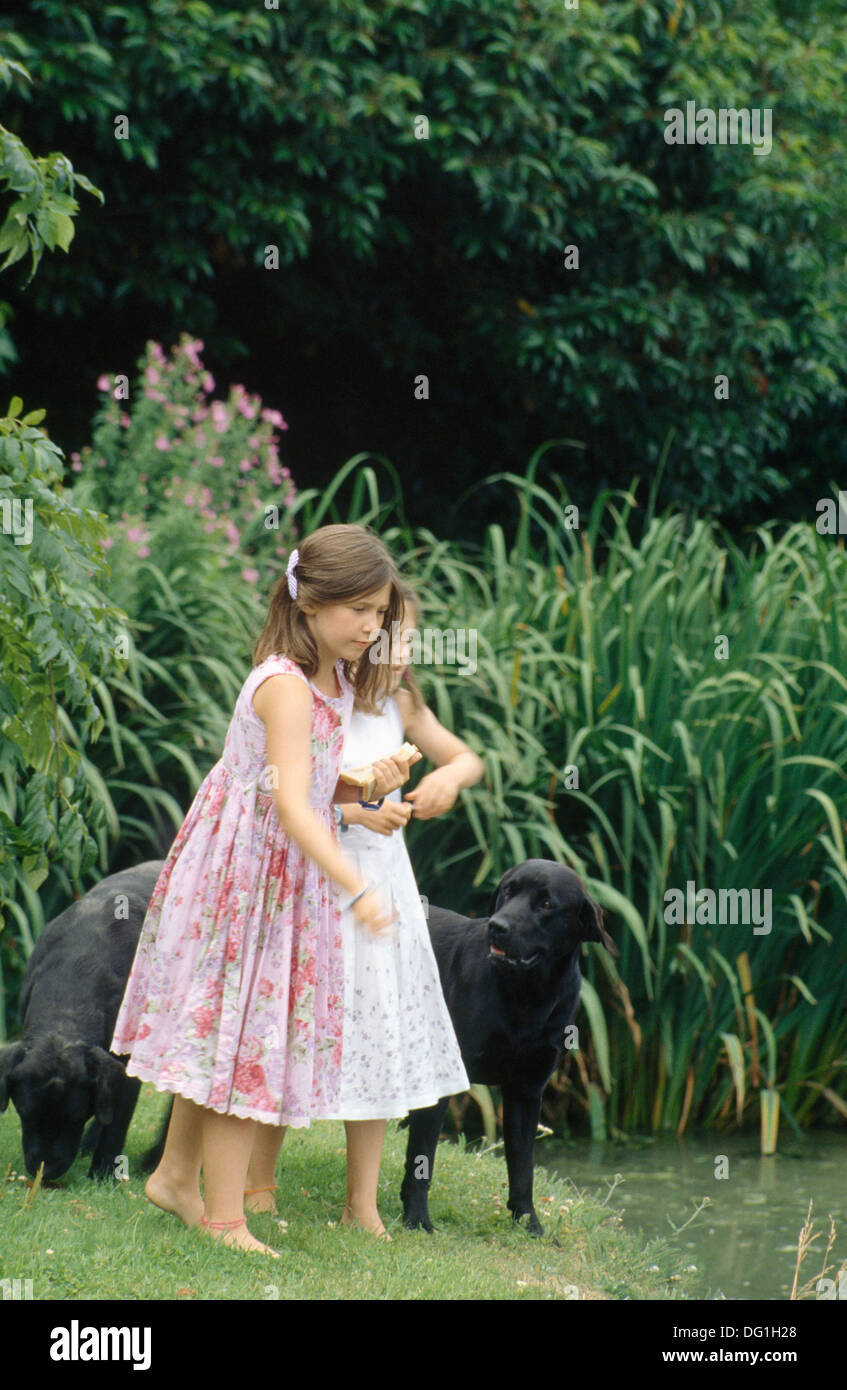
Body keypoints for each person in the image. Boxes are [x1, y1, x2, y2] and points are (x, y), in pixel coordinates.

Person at [110, 523, 418, 1255]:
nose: (371, 626)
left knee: (232, 1032)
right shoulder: (282, 684)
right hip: (247, 880)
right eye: (359, 611)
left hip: (281, 875)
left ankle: (175, 1179)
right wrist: (353, 881)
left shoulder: (333, 684)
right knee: (243, 1039)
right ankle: (223, 1219)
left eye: (380, 612)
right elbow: (284, 803)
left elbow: (305, 780)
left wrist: (360, 786)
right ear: (308, 601)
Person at [243, 584, 485, 1236]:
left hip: (383, 886)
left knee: (375, 1021)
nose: (397, 647)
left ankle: (362, 1203)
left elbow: (466, 757)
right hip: (319, 876)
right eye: (387, 634)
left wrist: (445, 779)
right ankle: (257, 1182)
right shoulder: (324, 695)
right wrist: (357, 810)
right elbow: (287, 790)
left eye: (404, 636)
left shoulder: (400, 700)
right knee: (291, 1018)